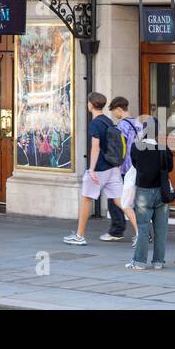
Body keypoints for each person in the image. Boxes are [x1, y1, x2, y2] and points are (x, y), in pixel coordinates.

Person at [63, 93, 125, 245]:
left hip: (99, 168)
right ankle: (140, 233)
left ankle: (79, 235)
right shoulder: (108, 120)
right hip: (112, 166)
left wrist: (91, 169)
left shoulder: (95, 123)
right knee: (122, 201)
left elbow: (95, 148)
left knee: (86, 199)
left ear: (90, 104)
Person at [126, 117, 175, 271]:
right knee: (161, 228)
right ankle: (158, 261)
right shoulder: (163, 148)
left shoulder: (136, 147)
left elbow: (135, 164)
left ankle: (139, 262)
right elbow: (170, 167)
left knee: (143, 227)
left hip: (143, 192)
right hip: (162, 192)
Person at [100, 97, 141, 242]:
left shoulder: (122, 125)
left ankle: (117, 230)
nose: (114, 115)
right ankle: (142, 230)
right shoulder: (138, 123)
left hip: (124, 167)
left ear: (118, 109)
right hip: (137, 166)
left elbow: (118, 147)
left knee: (114, 197)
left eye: (113, 111)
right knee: (135, 200)